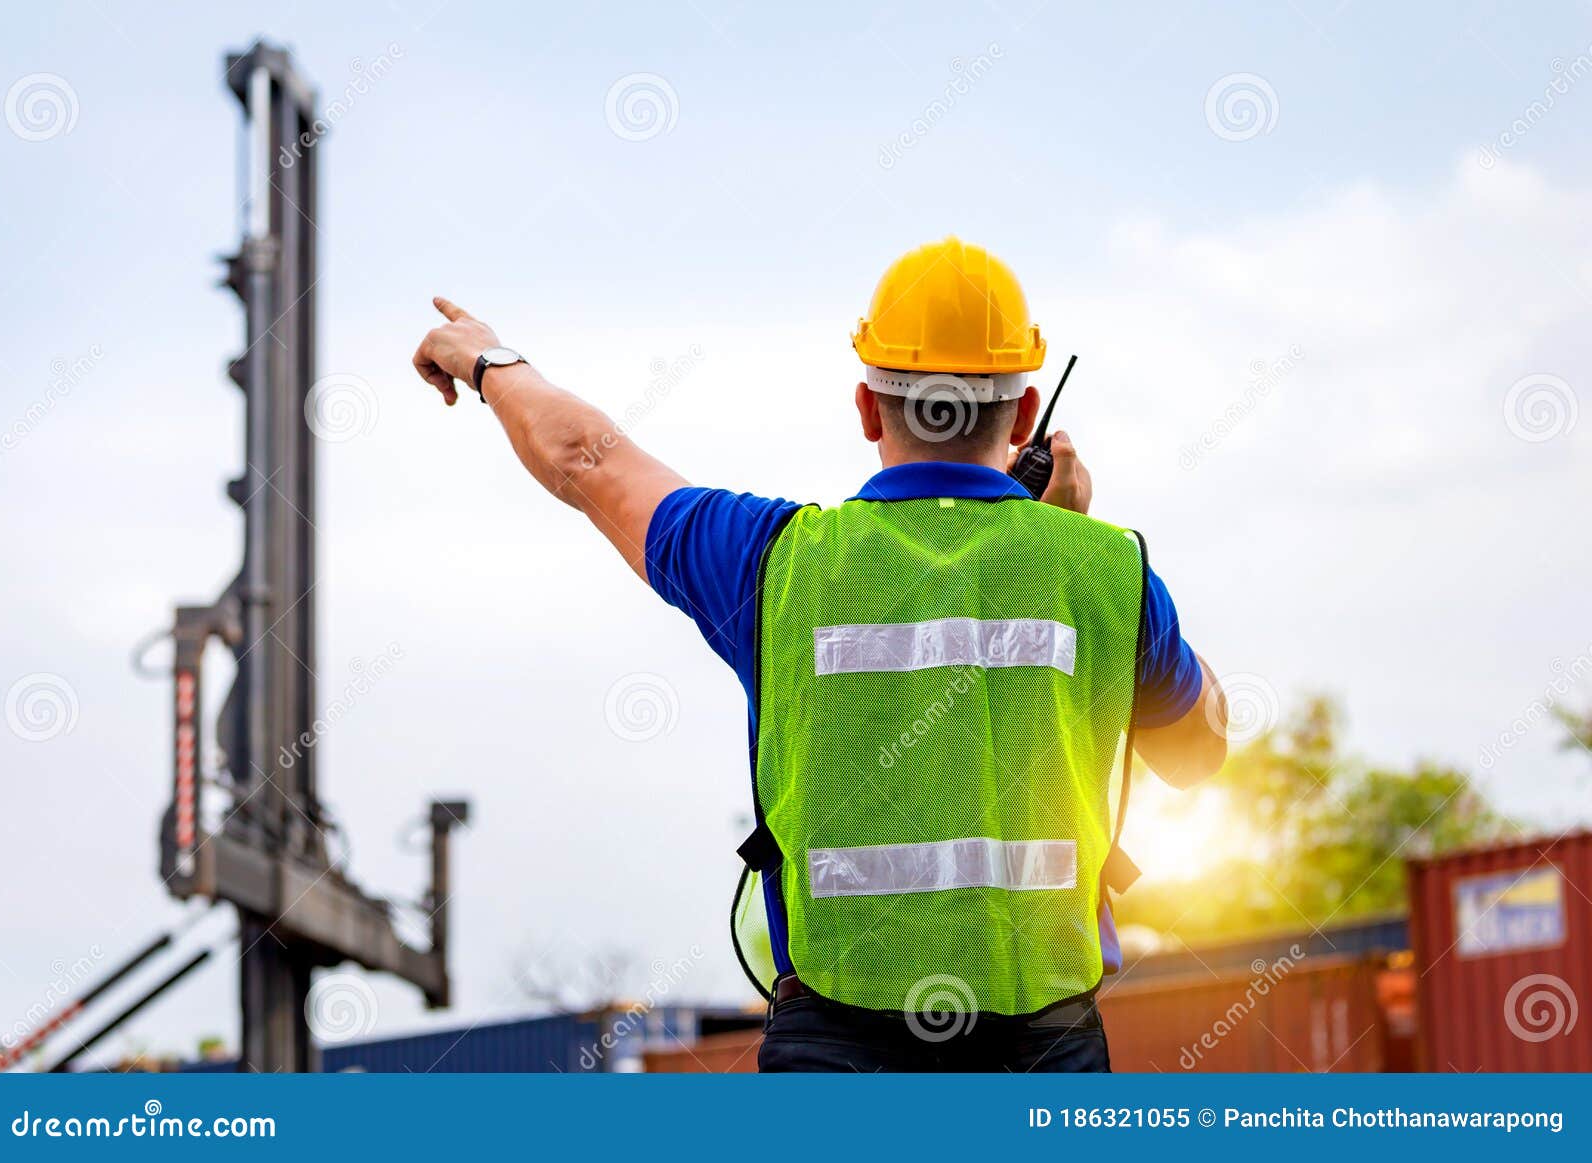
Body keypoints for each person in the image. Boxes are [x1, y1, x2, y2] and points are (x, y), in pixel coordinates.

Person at [411, 236, 1227, 1072]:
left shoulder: (768, 561)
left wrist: (489, 360)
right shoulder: (1108, 571)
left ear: (869, 408)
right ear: (1023, 417)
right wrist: (1070, 546)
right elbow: (1201, 749)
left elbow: (584, 456)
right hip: (1045, 1061)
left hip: (834, 1061)